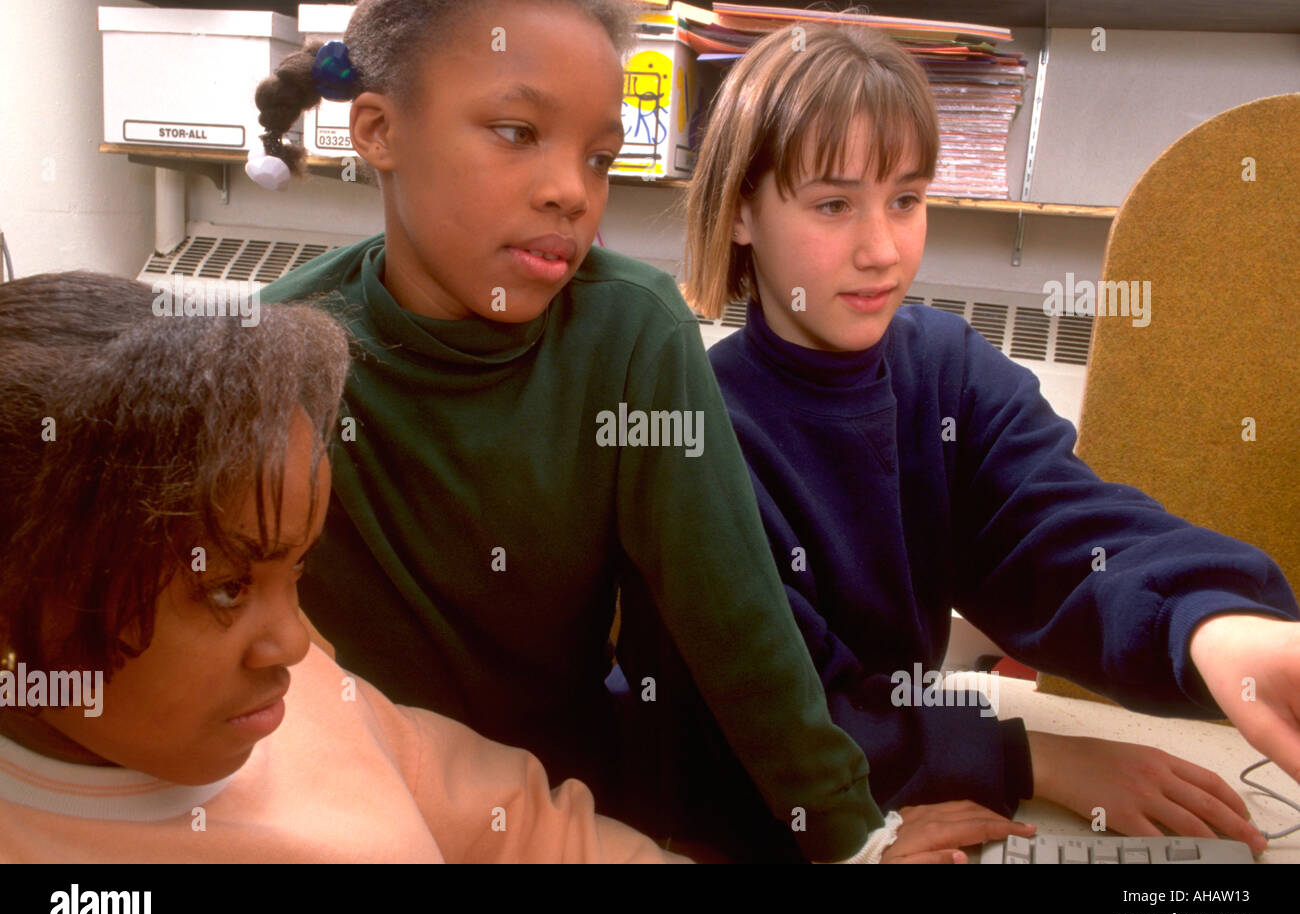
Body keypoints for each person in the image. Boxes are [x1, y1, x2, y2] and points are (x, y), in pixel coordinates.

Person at [249, 0, 1003, 863]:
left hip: (572, 818)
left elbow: (733, 620)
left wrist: (849, 834)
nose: (572, 189)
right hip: (348, 809)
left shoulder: (633, 333)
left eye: (599, 157)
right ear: (379, 130)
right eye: (515, 130)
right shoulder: (278, 348)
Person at [685, 22, 1300, 854]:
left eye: (906, 199)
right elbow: (768, 724)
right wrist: (1026, 759)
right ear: (741, 214)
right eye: (833, 204)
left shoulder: (945, 368)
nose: (882, 249)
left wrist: (1212, 626)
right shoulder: (706, 436)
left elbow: (1062, 535)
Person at [0, 270, 683, 863]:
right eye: (227, 589)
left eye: (296, 571)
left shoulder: (302, 704)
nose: (298, 644)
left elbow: (523, 829)